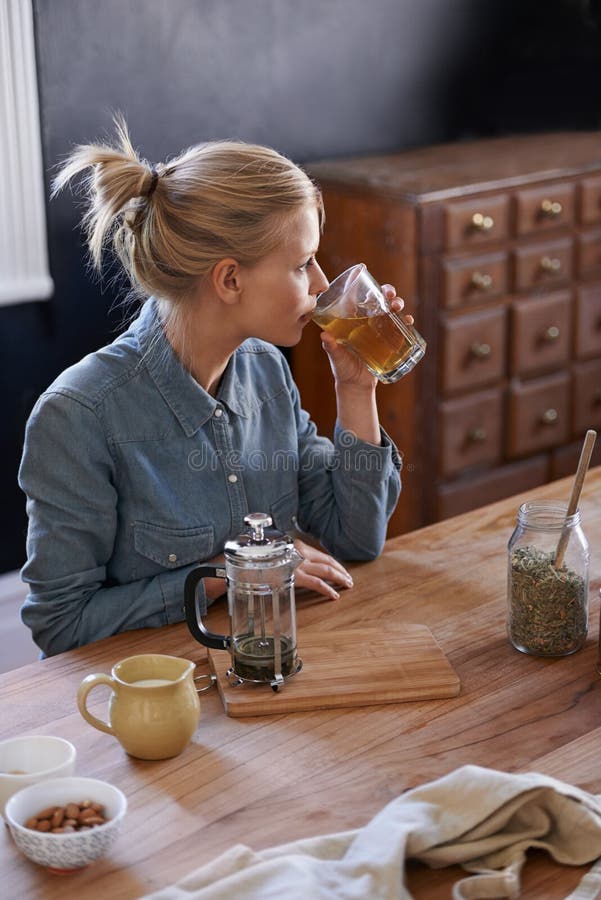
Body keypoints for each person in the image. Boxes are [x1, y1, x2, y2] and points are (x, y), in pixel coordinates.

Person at [18, 118, 406, 657]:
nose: (321, 285)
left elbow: (357, 539)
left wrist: (357, 390)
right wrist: (228, 574)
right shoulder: (79, 415)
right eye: (302, 264)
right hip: (150, 698)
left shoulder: (266, 369)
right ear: (229, 280)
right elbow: (60, 625)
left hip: (264, 668)